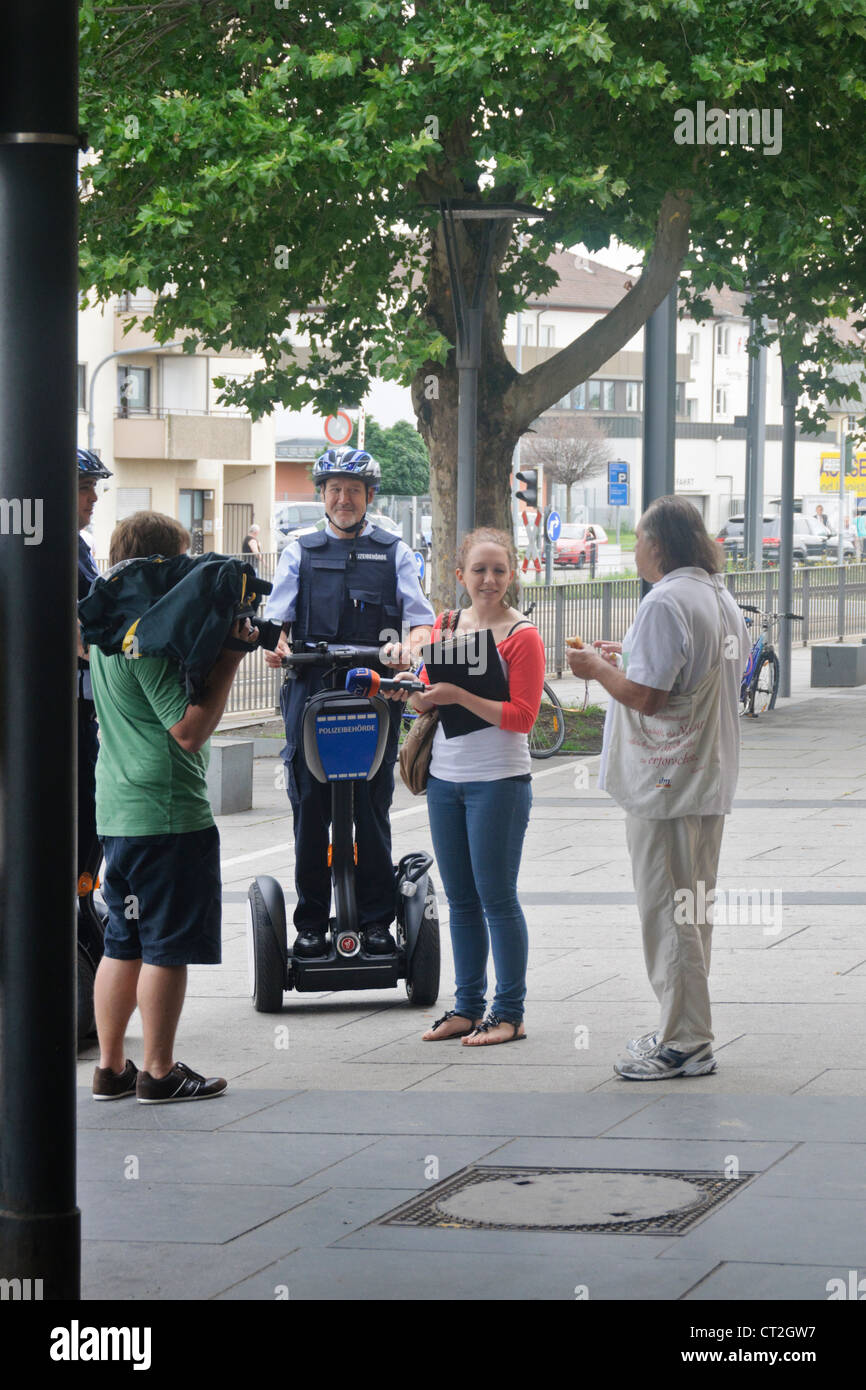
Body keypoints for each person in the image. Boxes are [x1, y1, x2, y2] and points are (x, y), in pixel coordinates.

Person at [567, 496, 749, 1081]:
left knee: (668, 912)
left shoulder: (666, 599)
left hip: (665, 783)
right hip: (707, 776)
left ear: (658, 544)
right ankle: (682, 1022)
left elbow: (650, 696)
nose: (637, 547)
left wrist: (596, 668)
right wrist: (627, 657)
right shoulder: (718, 597)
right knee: (693, 910)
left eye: (641, 537)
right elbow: (692, 671)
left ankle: (686, 1040)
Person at [89, 511, 259, 1103]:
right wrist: (233, 659)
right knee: (165, 946)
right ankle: (158, 1073)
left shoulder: (108, 632)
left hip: (118, 809)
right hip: (166, 813)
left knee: (123, 941)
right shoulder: (149, 644)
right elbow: (187, 730)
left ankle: (111, 1069)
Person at [264, 447, 434, 958]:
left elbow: (420, 618)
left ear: (368, 497)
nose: (343, 499)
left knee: (371, 807)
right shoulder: (300, 551)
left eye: (353, 490)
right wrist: (276, 645)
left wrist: (412, 646)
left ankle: (378, 919)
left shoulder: (394, 552)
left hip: (372, 692)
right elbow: (276, 621)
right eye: (334, 489)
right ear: (322, 495)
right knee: (310, 809)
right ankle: (312, 922)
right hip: (311, 691)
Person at [412, 527, 545, 1046]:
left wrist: (457, 695)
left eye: (499, 570)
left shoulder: (522, 636)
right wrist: (421, 697)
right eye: (479, 570)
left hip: (500, 783)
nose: (489, 580)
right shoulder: (446, 625)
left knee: (497, 898)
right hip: (446, 780)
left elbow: (522, 717)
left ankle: (508, 1013)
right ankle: (467, 1006)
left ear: (512, 574)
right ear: (459, 574)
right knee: (460, 900)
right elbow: (427, 693)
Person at [76, 448, 113, 894]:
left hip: (84, 710)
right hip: (63, 714)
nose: (94, 498)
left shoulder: (77, 548)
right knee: (85, 809)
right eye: (85, 488)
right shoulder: (49, 551)